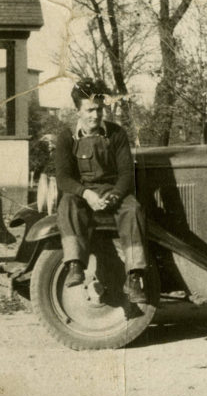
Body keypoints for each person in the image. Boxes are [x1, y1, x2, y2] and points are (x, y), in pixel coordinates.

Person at [55, 78, 148, 303]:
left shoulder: (116, 134)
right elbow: (63, 178)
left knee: (133, 210)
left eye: (99, 109)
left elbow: (126, 174)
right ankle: (75, 264)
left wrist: (114, 195)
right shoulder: (67, 137)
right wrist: (86, 194)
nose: (95, 115)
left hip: (112, 191)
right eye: (89, 110)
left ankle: (134, 277)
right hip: (82, 194)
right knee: (67, 204)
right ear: (78, 111)